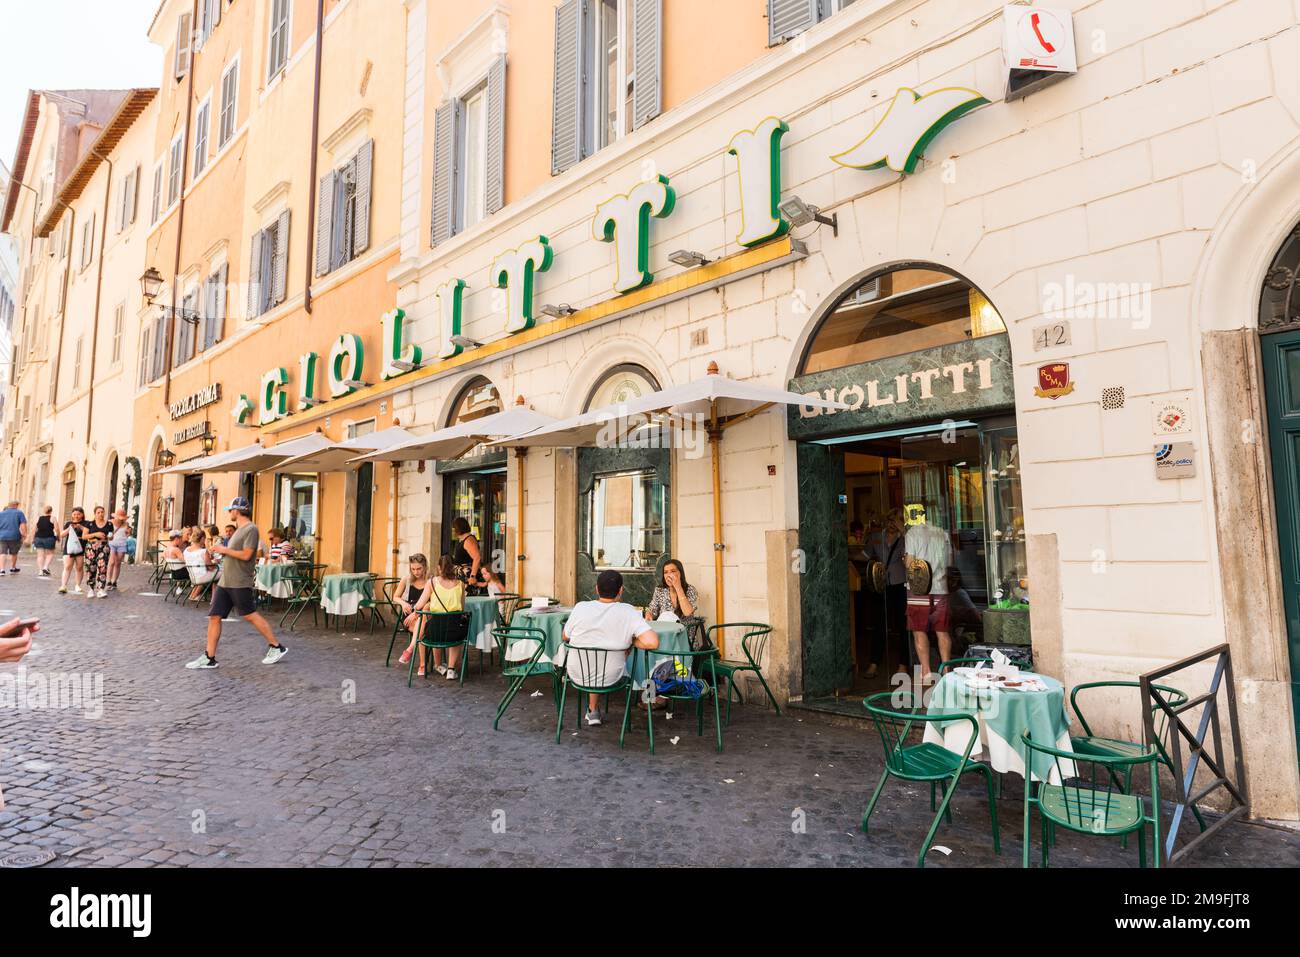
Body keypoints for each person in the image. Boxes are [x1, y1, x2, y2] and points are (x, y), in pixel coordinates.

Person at [185, 497, 287, 670]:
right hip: (226, 580)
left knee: (250, 615)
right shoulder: (240, 530)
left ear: (237, 510)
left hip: (239, 580)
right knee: (214, 616)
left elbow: (248, 555)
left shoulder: (251, 529)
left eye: (230, 510)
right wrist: (221, 553)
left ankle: (276, 647)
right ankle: (209, 657)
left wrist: (224, 550)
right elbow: (235, 553)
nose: (229, 512)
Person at [562, 569, 659, 727]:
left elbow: (565, 636)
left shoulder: (580, 607)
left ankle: (593, 711)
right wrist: (631, 641)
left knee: (594, 658)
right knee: (607, 659)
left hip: (577, 674)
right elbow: (652, 642)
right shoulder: (628, 611)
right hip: (613, 677)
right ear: (621, 590)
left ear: (597, 589)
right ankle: (650, 696)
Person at [905, 517, 954, 681]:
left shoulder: (912, 533)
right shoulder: (942, 533)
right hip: (940, 587)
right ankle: (947, 671)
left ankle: (926, 672)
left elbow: (911, 564)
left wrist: (904, 559)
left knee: (919, 632)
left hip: (919, 590)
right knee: (942, 632)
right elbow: (950, 561)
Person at [426, 555, 466, 680]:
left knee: (433, 625)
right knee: (460, 628)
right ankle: (451, 669)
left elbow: (420, 604)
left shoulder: (432, 582)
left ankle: (438, 665)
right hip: (454, 633)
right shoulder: (461, 584)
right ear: (454, 568)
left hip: (435, 633)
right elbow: (462, 608)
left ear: (439, 568)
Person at [394, 554, 433, 668]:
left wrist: (420, 612)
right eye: (413, 569)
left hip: (427, 616)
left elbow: (434, 602)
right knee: (421, 629)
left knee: (422, 620)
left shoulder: (431, 580)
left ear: (425, 567)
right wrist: (403, 603)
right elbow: (395, 596)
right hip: (409, 616)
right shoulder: (406, 579)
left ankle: (410, 650)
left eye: (419, 569)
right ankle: (422, 665)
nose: (416, 572)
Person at [82, 506, 113, 598]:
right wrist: (96, 534)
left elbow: (111, 536)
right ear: (95, 514)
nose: (100, 514)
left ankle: (101, 589)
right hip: (91, 547)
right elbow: (84, 536)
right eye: (98, 512)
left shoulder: (109, 524)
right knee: (91, 568)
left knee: (102, 567)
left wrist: (110, 537)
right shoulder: (90, 524)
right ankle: (91, 589)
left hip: (103, 547)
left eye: (102, 512)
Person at [58, 507, 89, 595]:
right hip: (69, 548)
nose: (76, 516)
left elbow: (89, 533)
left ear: (82, 515)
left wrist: (81, 527)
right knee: (67, 566)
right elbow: (62, 535)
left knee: (79, 567)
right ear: (72, 515)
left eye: (78, 514)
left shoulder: (86, 523)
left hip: (81, 548)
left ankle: (78, 585)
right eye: (74, 514)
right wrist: (69, 528)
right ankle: (63, 585)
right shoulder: (68, 523)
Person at [184, 528, 217, 601]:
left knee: (208, 574)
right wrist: (216, 563)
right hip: (201, 577)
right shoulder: (203, 551)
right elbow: (211, 567)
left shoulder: (186, 550)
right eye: (204, 539)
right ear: (202, 539)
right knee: (221, 574)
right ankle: (215, 599)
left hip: (192, 576)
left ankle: (193, 595)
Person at [449, 517, 482, 591]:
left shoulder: (469, 540)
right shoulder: (463, 539)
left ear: (458, 528)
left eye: (454, 528)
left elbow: (477, 558)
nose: (453, 530)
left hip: (468, 579)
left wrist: (473, 576)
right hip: (462, 577)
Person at [105, 508, 132, 591]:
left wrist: (128, 532)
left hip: (122, 545)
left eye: (122, 518)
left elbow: (127, 534)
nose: (121, 519)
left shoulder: (126, 524)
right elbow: (106, 533)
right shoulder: (110, 522)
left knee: (118, 563)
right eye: (119, 517)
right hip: (112, 544)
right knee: (111, 562)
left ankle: (114, 582)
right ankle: (108, 581)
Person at [0, 501, 28, 576]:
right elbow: (23, 525)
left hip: (2, 536)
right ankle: (12, 568)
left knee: (2, 553)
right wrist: (25, 534)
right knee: (14, 553)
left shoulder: (1, 513)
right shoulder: (19, 513)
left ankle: (2, 570)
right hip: (14, 536)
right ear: (15, 505)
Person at [32, 506, 58, 577]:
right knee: (50, 554)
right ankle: (45, 567)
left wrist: (33, 538)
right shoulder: (53, 518)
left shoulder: (38, 518)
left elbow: (34, 529)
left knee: (40, 555)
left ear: (44, 511)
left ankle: (40, 571)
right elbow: (56, 528)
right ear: (51, 511)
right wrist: (58, 536)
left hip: (38, 538)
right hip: (49, 538)